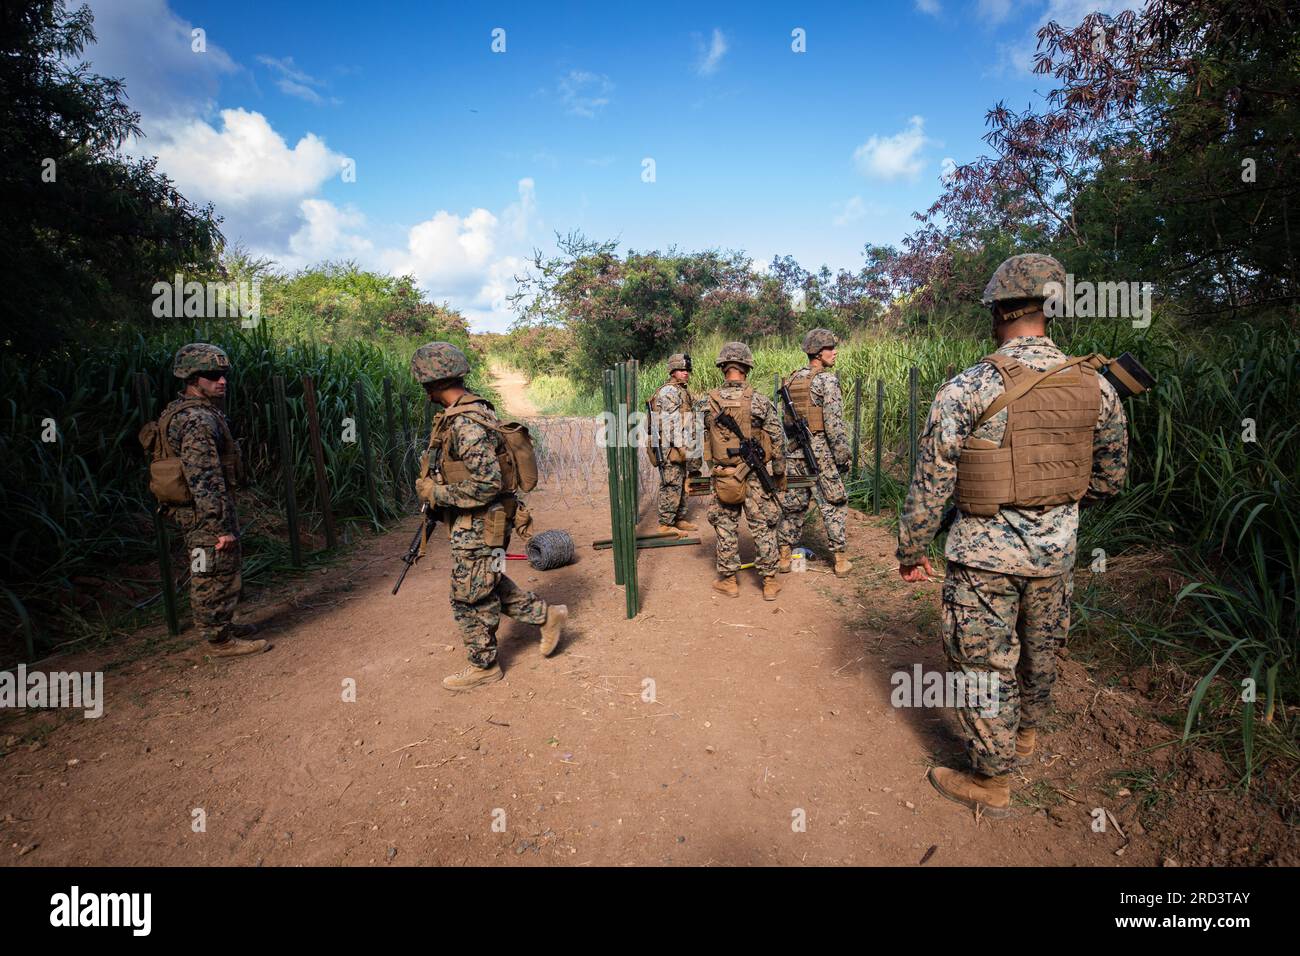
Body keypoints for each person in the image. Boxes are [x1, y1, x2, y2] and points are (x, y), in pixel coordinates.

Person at [896, 254, 1129, 816]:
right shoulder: (1098, 387)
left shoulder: (966, 388)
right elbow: (1110, 480)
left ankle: (992, 779)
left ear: (998, 311)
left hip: (984, 559)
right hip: (1057, 554)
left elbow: (932, 482)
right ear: (1053, 310)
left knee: (984, 665)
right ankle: (1025, 735)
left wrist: (913, 547)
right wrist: (1055, 511)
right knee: (1042, 651)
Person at [411, 342, 567, 691]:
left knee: (468, 595)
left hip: (480, 524)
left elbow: (487, 484)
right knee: (486, 580)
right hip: (479, 522)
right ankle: (547, 616)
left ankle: (484, 666)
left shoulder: (465, 423)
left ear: (431, 381)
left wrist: (435, 493)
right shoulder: (471, 409)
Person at [159, 343, 265, 658]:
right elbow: (203, 476)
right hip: (204, 513)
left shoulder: (187, 411)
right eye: (212, 375)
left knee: (218, 568)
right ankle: (218, 640)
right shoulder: (197, 419)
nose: (222, 381)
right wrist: (220, 526)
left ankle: (223, 626)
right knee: (210, 572)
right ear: (192, 378)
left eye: (223, 375)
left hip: (200, 510)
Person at [695, 342, 787, 601]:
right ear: (747, 368)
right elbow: (777, 439)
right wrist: (779, 471)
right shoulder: (760, 401)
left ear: (723, 368)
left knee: (725, 525)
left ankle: (728, 580)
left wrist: (694, 473)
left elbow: (695, 440)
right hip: (755, 476)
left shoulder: (706, 403)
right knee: (763, 525)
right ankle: (769, 582)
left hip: (724, 475)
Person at [777, 328, 854, 577]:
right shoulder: (827, 381)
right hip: (820, 454)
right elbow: (834, 425)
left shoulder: (791, 380)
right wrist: (842, 457)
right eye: (830, 348)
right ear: (818, 354)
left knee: (794, 505)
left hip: (794, 453)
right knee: (833, 502)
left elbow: (785, 421)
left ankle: (784, 557)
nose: (835, 352)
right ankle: (840, 561)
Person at [651, 352, 702, 536]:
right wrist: (680, 447)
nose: (685, 373)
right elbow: (670, 424)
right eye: (681, 370)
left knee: (681, 482)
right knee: (671, 484)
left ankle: (679, 518)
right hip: (671, 446)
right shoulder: (669, 392)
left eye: (687, 370)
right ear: (673, 371)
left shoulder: (681, 390)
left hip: (681, 444)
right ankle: (665, 524)